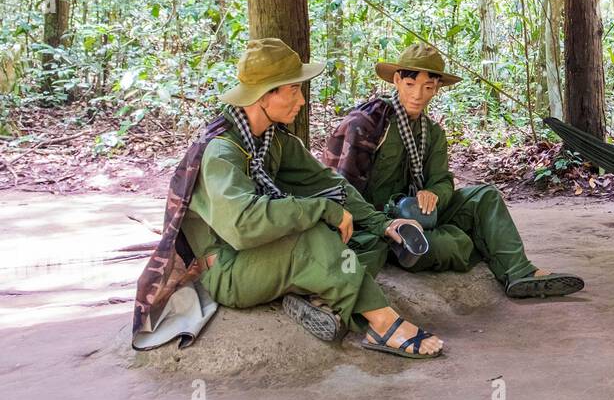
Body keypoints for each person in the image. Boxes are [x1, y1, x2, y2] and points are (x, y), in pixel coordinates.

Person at [133, 38, 443, 359]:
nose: (302, 101)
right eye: (293, 91)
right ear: (265, 95)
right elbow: (243, 225)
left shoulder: (272, 139)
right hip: (230, 268)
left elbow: (328, 184)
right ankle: (381, 323)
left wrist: (382, 224)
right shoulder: (222, 150)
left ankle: (319, 299)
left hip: (265, 255)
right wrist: (320, 209)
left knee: (367, 240)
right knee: (313, 234)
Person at [325, 43, 584, 299]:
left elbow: (442, 180)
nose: (417, 95)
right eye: (410, 85)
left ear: (437, 89)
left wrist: (434, 192)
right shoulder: (368, 123)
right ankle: (450, 245)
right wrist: (383, 223)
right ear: (396, 80)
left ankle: (520, 273)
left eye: (427, 87)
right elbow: (341, 189)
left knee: (485, 197)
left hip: (419, 213)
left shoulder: (432, 132)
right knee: (454, 245)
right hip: (375, 222)